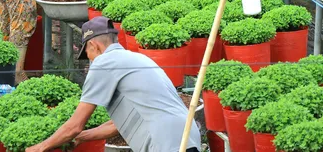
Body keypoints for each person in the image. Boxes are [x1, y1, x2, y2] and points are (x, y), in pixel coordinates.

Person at [26, 16, 202, 152]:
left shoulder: (104, 62)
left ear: (94, 46)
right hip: (187, 135)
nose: (90, 60)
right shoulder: (136, 58)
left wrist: (40, 147)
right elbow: (114, 125)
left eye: (87, 54)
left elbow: (75, 125)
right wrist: (82, 137)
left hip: (164, 142)